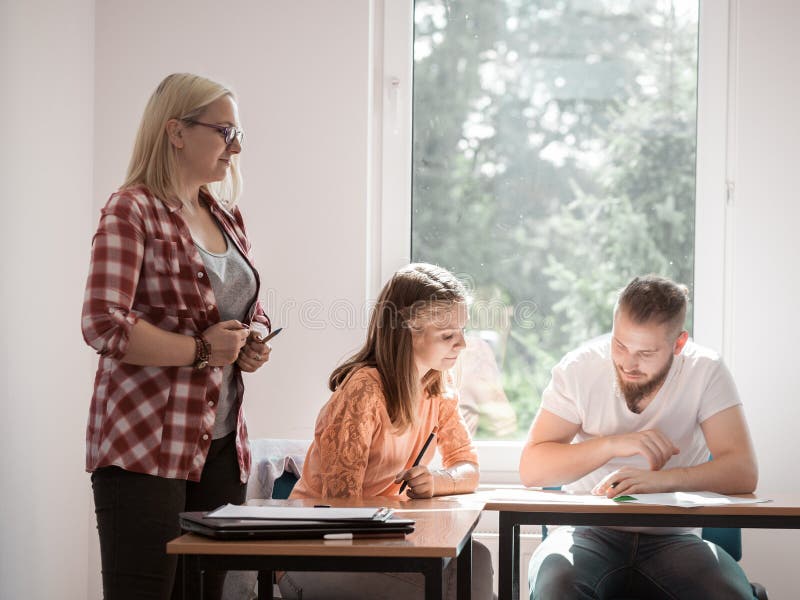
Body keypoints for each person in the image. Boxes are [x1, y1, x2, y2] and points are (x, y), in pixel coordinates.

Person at [81, 73, 273, 600]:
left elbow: (246, 305)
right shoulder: (131, 210)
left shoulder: (225, 214)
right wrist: (205, 350)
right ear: (176, 132)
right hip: (145, 447)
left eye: (239, 135)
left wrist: (253, 339)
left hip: (219, 445)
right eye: (224, 131)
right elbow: (103, 321)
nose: (235, 147)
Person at [519, 275, 758, 600]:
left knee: (732, 596)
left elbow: (743, 470)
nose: (628, 363)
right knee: (557, 590)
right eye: (619, 345)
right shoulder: (580, 368)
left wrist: (661, 481)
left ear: (679, 343)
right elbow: (532, 468)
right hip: (586, 532)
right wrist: (612, 444)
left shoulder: (705, 370)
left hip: (674, 537)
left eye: (646, 353)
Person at [280, 263, 494, 600]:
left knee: (476, 559)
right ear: (407, 331)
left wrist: (438, 481)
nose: (463, 344)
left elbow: (468, 468)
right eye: (448, 335)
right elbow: (342, 508)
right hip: (318, 554)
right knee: (442, 585)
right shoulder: (364, 390)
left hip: (379, 541)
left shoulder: (438, 388)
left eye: (462, 330)